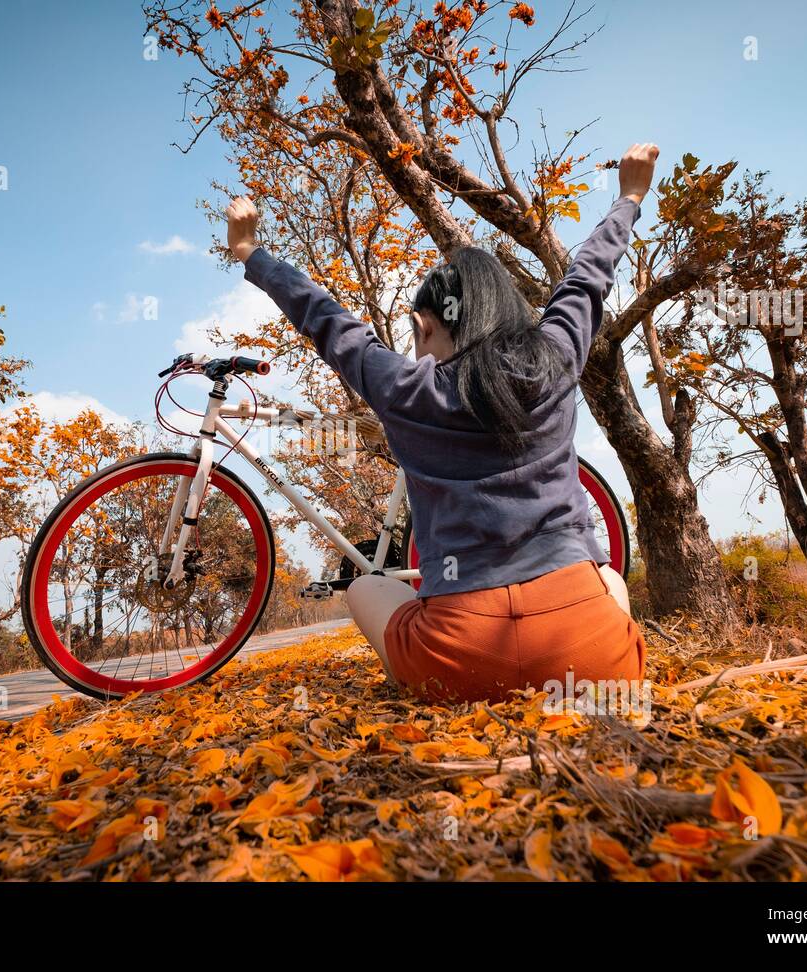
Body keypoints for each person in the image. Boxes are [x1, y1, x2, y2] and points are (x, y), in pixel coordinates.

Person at [226, 144, 659, 704]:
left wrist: (249, 251)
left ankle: (440, 676)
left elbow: (325, 318)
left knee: (365, 588)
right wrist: (629, 197)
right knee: (611, 581)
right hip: (591, 657)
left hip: (459, 662)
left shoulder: (406, 389)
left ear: (422, 324)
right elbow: (586, 278)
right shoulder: (554, 357)